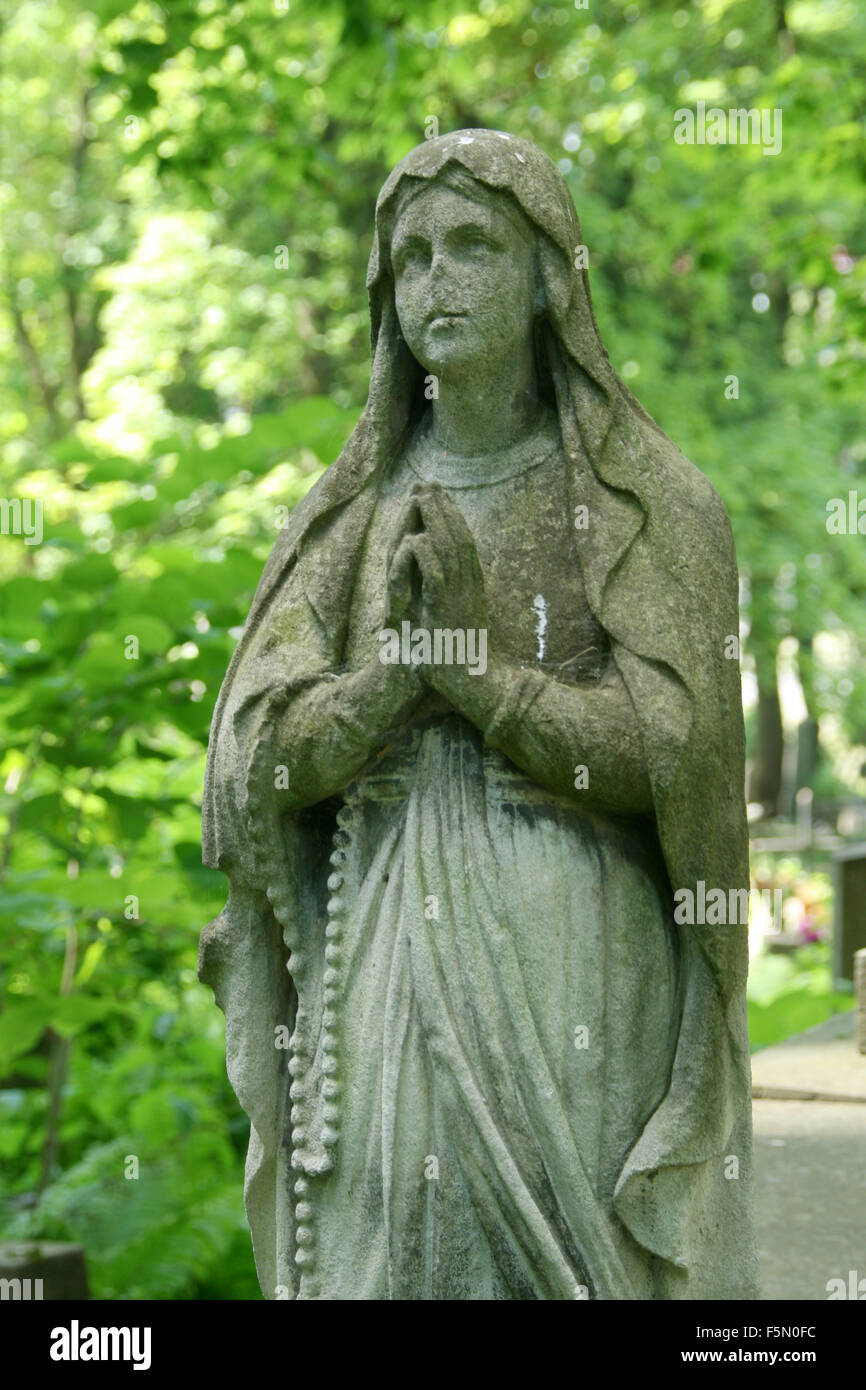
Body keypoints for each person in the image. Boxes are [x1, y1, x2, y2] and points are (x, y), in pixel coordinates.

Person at [200, 129, 759, 1300]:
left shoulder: (644, 503)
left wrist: (480, 678)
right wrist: (387, 685)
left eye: (471, 246)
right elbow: (256, 757)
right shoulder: (352, 514)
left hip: (577, 953)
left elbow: (674, 753)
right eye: (410, 258)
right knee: (389, 1248)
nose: (435, 280)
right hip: (386, 942)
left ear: (549, 273)